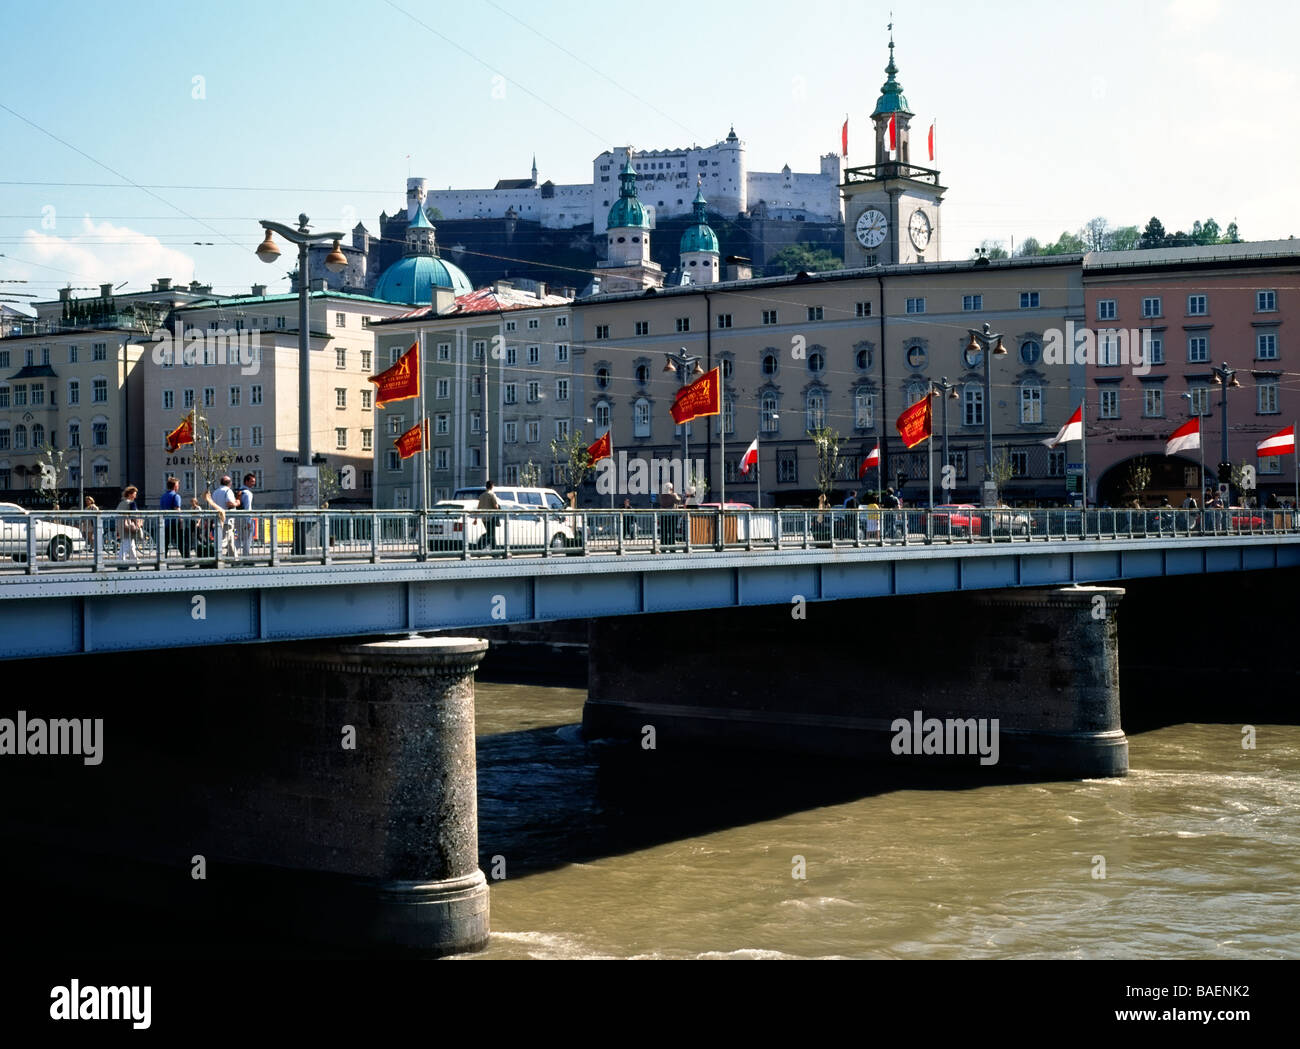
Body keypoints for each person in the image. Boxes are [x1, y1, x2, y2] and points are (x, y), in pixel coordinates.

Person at [205, 475, 239, 558]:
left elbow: (213, 506)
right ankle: (212, 555)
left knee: (231, 541)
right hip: (227, 520)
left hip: (218, 520)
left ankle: (235, 560)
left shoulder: (216, 492)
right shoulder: (228, 491)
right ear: (230, 483)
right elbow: (229, 503)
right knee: (223, 542)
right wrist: (237, 503)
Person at [115, 485, 143, 564]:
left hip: (121, 525)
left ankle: (135, 561)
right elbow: (135, 516)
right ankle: (120, 561)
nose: (135, 495)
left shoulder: (121, 503)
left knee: (131, 545)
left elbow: (117, 515)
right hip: (129, 526)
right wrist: (138, 524)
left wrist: (117, 529)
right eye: (134, 493)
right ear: (130, 494)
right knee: (127, 543)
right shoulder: (131, 503)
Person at [159, 476, 186, 558]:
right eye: (178, 485)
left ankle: (163, 561)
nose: (178, 487)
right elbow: (177, 510)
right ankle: (187, 560)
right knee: (181, 542)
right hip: (174, 523)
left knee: (165, 543)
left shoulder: (163, 496)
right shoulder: (176, 496)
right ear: (175, 486)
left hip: (165, 523)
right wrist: (181, 521)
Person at [477, 480, 502, 550]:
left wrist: (475, 519)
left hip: (484, 518)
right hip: (491, 518)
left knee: (490, 533)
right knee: (492, 535)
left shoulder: (481, 496)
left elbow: (478, 508)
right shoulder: (492, 494)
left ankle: (484, 545)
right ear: (492, 486)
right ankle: (494, 551)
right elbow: (496, 506)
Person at [236, 473, 256, 558]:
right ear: (246, 481)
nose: (253, 483)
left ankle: (232, 556)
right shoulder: (248, 493)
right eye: (252, 481)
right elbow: (248, 508)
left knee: (238, 538)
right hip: (245, 519)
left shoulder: (238, 491)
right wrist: (249, 521)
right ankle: (246, 558)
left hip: (237, 519)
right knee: (247, 539)